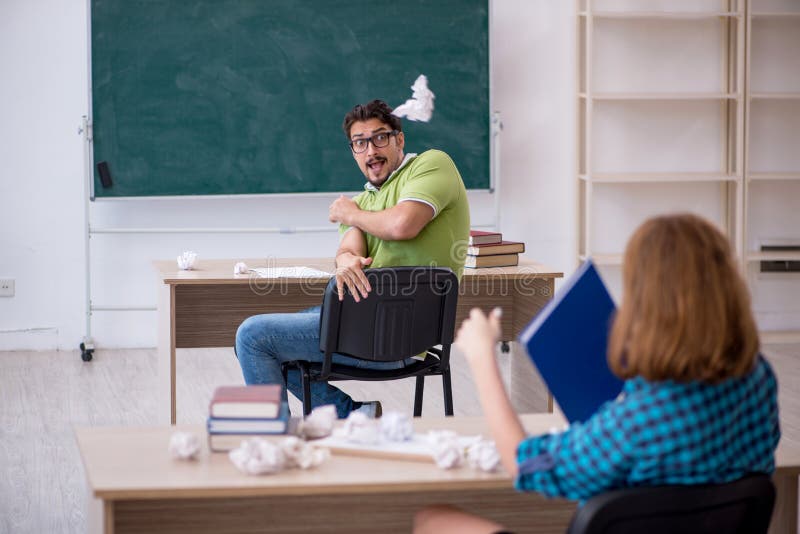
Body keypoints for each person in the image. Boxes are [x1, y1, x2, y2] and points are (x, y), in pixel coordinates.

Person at [413, 213, 780, 534]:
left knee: (434, 519)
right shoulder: (759, 379)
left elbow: (524, 462)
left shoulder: (636, 424)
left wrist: (482, 360)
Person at [236, 99, 470, 418]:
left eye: (380, 137)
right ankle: (355, 415)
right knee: (258, 343)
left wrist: (352, 213)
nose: (371, 150)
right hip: (363, 327)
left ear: (399, 139)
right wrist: (344, 260)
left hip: (404, 336)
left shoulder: (431, 165)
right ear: (353, 151)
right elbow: (350, 249)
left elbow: (403, 224)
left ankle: (279, 441)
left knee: (252, 338)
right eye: (360, 143)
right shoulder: (362, 203)